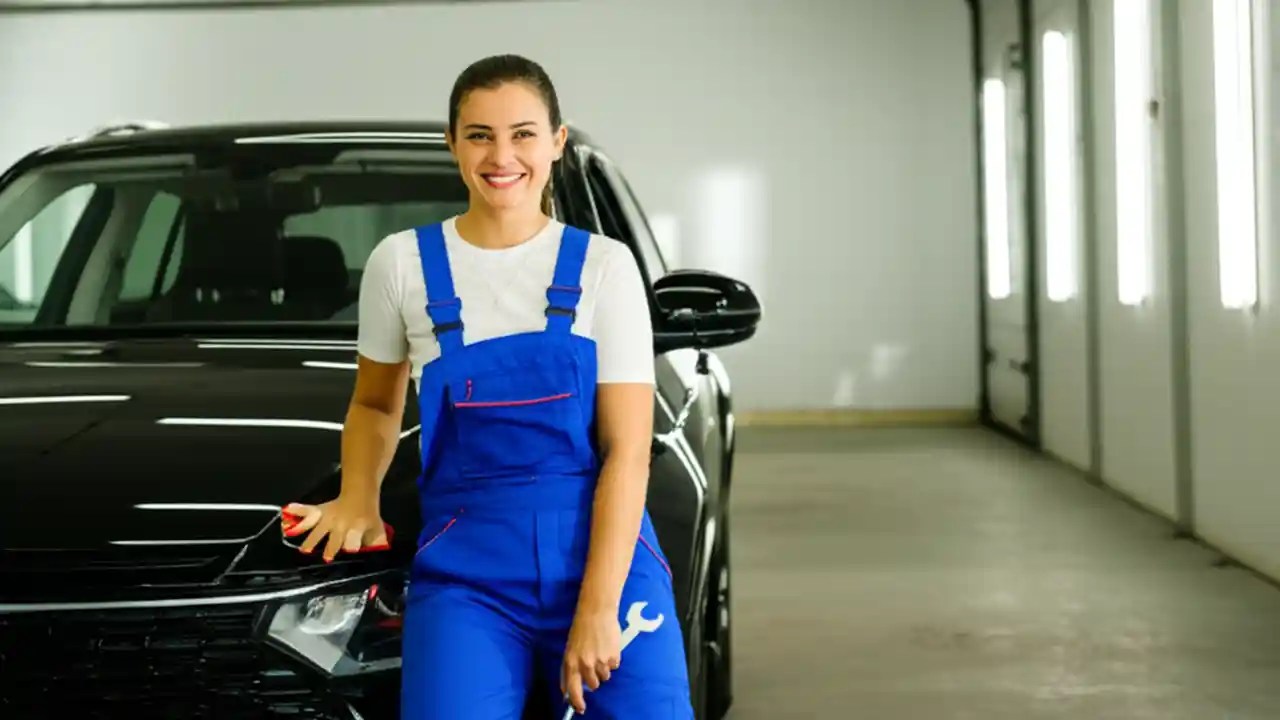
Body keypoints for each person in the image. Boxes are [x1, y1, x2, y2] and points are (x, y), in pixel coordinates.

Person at [278, 54, 695, 719]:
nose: (502, 155)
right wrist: (357, 497)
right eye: (479, 134)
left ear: (557, 142)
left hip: (605, 561)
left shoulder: (604, 269)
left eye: (524, 133)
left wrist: (596, 609)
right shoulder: (402, 265)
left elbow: (627, 451)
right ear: (453, 143)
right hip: (468, 577)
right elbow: (375, 402)